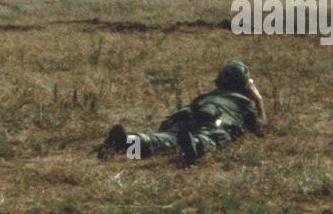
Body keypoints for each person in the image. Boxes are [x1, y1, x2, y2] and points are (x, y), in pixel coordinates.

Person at [98, 61, 265, 162]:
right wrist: (258, 100)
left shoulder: (207, 96)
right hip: (211, 122)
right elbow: (260, 130)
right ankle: (196, 145)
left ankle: (127, 142)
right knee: (219, 136)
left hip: (184, 119)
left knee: (164, 140)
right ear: (245, 84)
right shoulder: (242, 102)